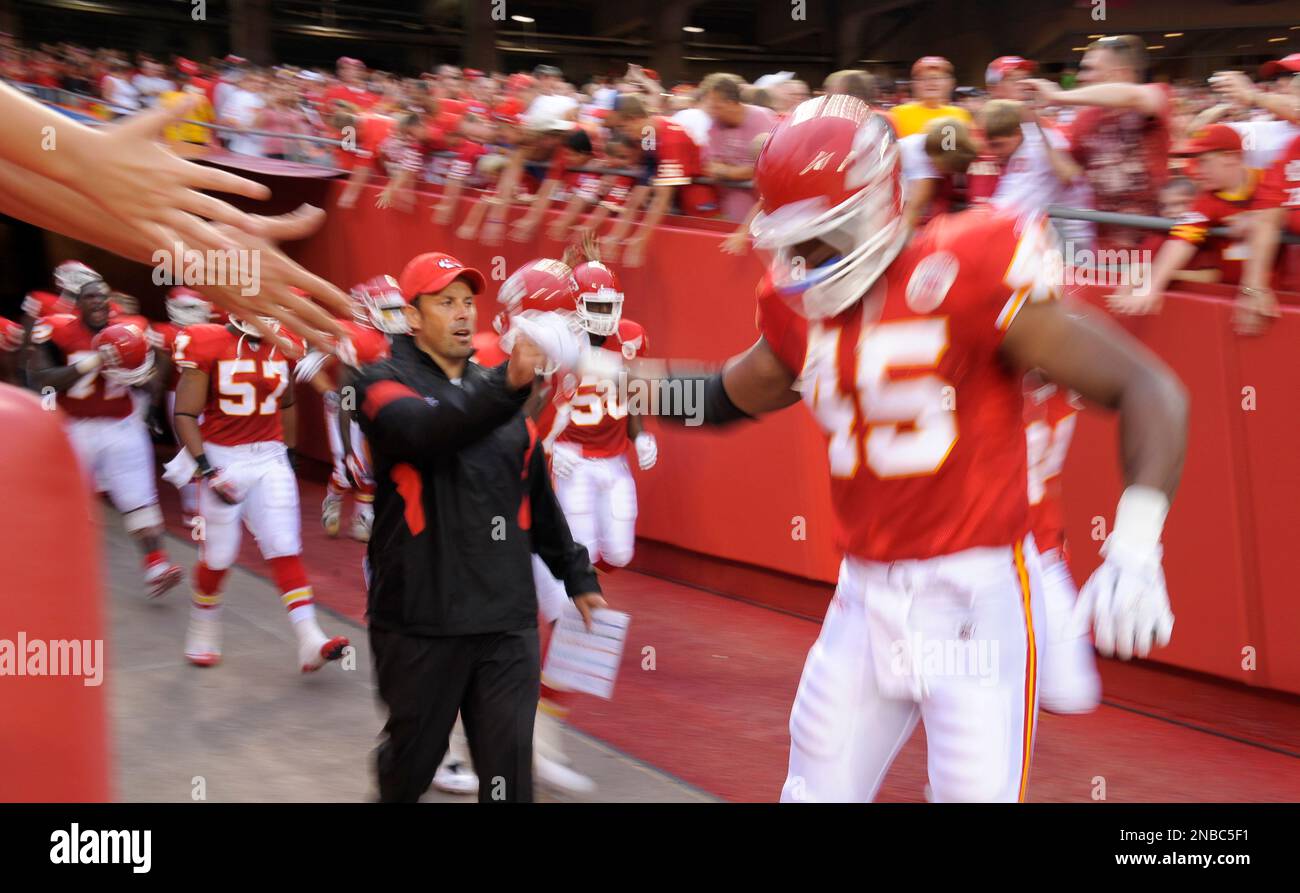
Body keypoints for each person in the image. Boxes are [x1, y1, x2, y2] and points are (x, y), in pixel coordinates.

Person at [599, 95, 1187, 802]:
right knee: (811, 793)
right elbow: (726, 395)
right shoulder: (793, 307)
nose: (801, 259)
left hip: (974, 598)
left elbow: (1150, 389)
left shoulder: (968, 265)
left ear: (879, 204)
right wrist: (614, 378)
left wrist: (1136, 541)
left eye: (820, 235)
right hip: (863, 595)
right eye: (789, 239)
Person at [353, 251, 605, 803]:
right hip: (419, 619)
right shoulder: (378, 384)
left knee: (508, 780)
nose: (463, 313)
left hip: (505, 621)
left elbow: (534, 496)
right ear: (413, 317)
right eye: (445, 303)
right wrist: (510, 385)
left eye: (468, 302)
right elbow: (429, 431)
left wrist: (577, 575)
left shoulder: (502, 395)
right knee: (409, 767)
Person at [169, 312, 351, 672]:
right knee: (220, 555)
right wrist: (207, 469)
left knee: (284, 545)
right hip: (223, 456)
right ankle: (203, 623)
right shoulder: (206, 341)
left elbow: (286, 404)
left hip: (270, 456)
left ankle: (309, 640)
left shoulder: (284, 341)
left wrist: (290, 456)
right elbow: (185, 413)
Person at [27, 272, 184, 598]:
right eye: (90, 297)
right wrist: (96, 361)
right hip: (75, 428)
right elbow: (41, 381)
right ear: (78, 304)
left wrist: (139, 374)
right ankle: (58, 568)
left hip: (121, 426)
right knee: (67, 503)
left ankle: (156, 565)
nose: (98, 302)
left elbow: (155, 379)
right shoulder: (58, 329)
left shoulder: (131, 330)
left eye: (102, 296)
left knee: (139, 497)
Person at [890, 56, 972, 138]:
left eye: (937, 78)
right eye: (924, 78)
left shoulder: (960, 115)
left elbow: (960, 148)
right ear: (914, 84)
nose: (931, 83)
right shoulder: (897, 115)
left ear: (950, 83)